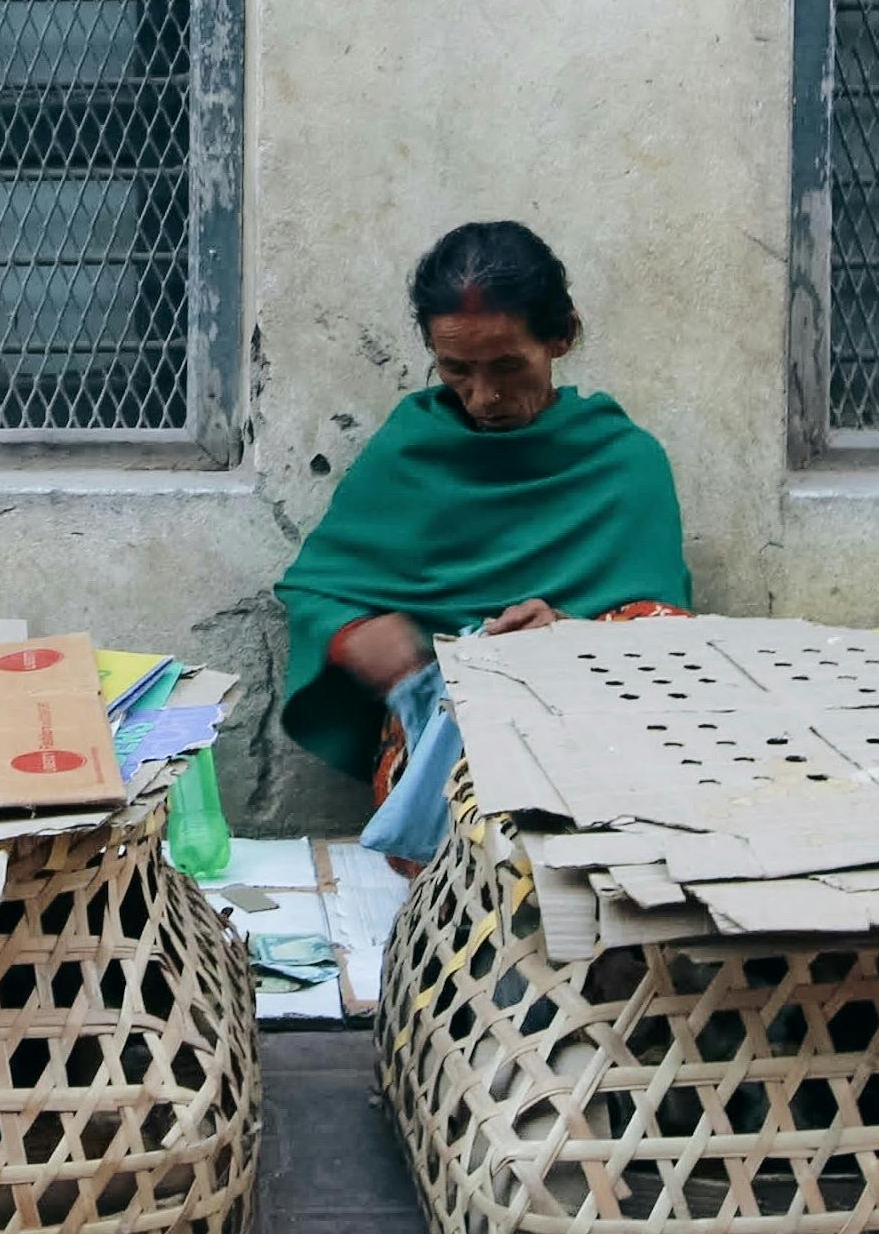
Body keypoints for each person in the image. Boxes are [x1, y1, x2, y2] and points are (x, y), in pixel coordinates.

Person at [276, 222, 692, 807]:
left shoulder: (625, 462)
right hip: (447, 746)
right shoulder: (408, 450)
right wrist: (357, 635)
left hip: (593, 743)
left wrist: (570, 635)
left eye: (507, 367)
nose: (483, 396)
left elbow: (669, 636)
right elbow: (317, 590)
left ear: (562, 336)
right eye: (457, 370)